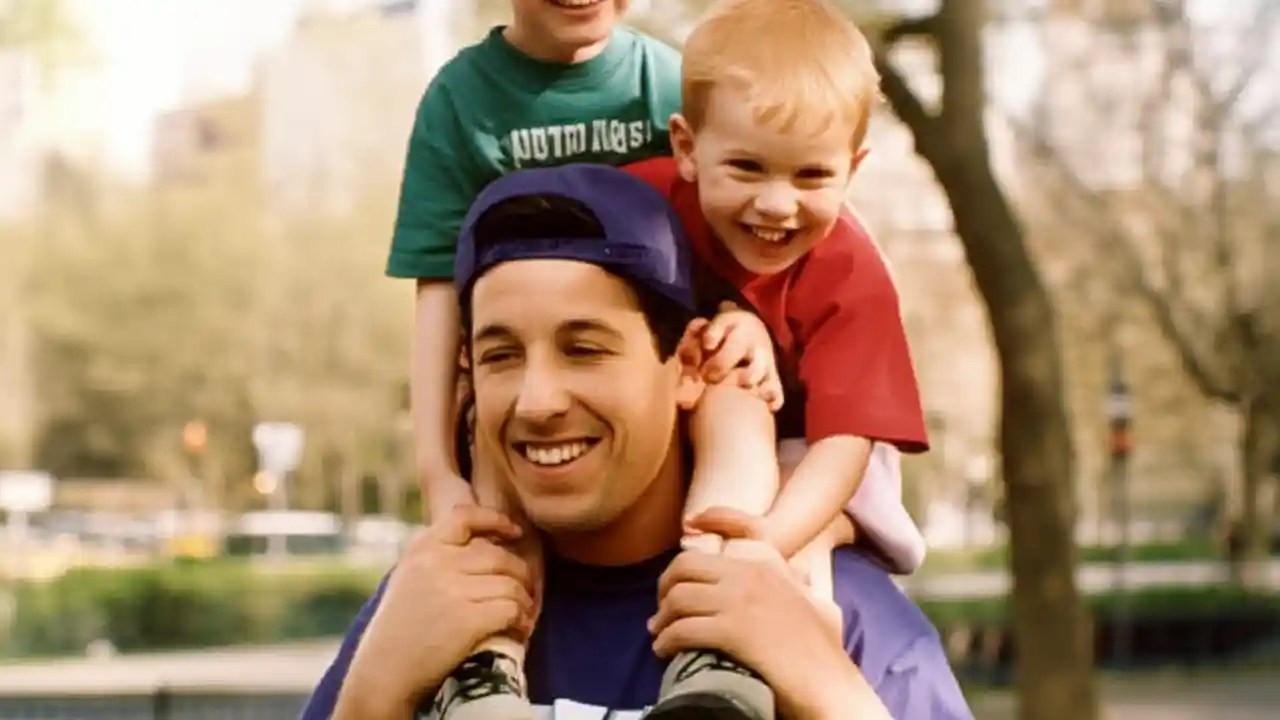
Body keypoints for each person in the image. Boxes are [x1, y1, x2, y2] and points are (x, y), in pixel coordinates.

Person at [388, 1, 928, 716]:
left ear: (850, 173)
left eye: (809, 177)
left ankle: (722, 641)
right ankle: (485, 666)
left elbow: (847, 444)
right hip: (694, 396)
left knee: (787, 523)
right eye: (745, 167)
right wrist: (441, 464)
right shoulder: (641, 196)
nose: (775, 205)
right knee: (509, 414)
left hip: (810, 456)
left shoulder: (849, 274)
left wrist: (758, 549)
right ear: (687, 147)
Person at [301, 164, 972, 720]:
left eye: (584, 350)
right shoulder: (431, 607)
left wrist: (832, 696)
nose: (537, 402)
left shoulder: (836, 616)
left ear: (684, 366)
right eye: (502, 356)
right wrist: (370, 698)